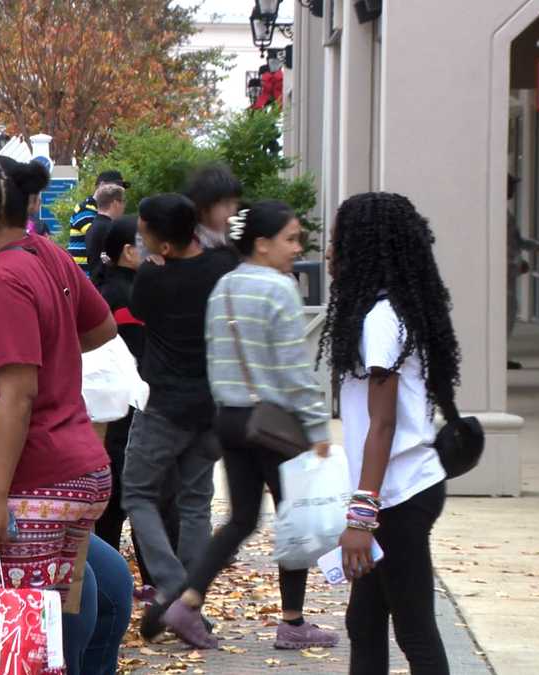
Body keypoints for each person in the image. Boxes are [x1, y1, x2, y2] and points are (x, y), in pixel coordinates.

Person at [0, 155, 126, 674]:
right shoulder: (46, 254)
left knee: (28, 646)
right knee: (67, 609)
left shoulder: (2, 282)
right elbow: (99, 328)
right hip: (77, 467)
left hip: (37, 479)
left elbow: (18, 394)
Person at [155, 201, 337, 652]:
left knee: (239, 519)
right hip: (273, 423)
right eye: (291, 239)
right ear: (262, 243)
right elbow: (295, 371)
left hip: (232, 420)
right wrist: (318, 428)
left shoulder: (224, 289)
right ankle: (292, 622)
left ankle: (188, 601)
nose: (297, 248)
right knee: (294, 519)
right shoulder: (279, 290)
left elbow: (216, 357)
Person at [319, 192, 458, 674]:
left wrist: (361, 518)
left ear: (363, 247)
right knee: (364, 622)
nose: (330, 252)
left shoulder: (380, 319)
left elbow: (383, 423)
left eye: (338, 241)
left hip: (398, 494)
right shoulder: (389, 310)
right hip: (397, 489)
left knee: (415, 630)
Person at [123, 194, 238, 641]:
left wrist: (149, 265)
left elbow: (143, 314)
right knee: (195, 503)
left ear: (164, 245)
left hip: (164, 406)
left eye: (145, 232)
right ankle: (193, 602)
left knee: (137, 493)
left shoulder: (152, 278)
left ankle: (172, 587)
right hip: (210, 407)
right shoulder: (223, 268)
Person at [91, 215, 179, 599]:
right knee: (148, 502)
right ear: (128, 251)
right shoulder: (132, 299)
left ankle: (114, 585)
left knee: (112, 509)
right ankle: (156, 582)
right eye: (143, 243)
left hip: (105, 418)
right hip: (133, 414)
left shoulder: (100, 294)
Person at [505, 174, 539, 369]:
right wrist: (517, 263)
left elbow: (517, 241)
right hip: (505, 274)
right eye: (511, 186)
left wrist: (537, 246)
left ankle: (501, 354)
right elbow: (504, 246)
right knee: (507, 312)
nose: (513, 190)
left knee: (510, 311)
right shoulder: (500, 214)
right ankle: (500, 356)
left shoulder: (506, 213)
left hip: (509, 271)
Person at [68, 170, 129, 275]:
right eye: (117, 185)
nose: (120, 190)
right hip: (83, 274)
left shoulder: (107, 212)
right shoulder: (84, 209)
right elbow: (98, 236)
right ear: (102, 185)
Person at [185, 163, 243, 252]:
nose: (232, 210)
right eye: (226, 204)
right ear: (203, 206)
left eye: (235, 203)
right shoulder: (190, 245)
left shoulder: (229, 239)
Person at [85, 184, 127, 281]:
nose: (124, 206)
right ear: (115, 203)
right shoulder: (112, 228)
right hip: (110, 284)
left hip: (96, 283)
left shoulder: (92, 226)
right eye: (123, 202)